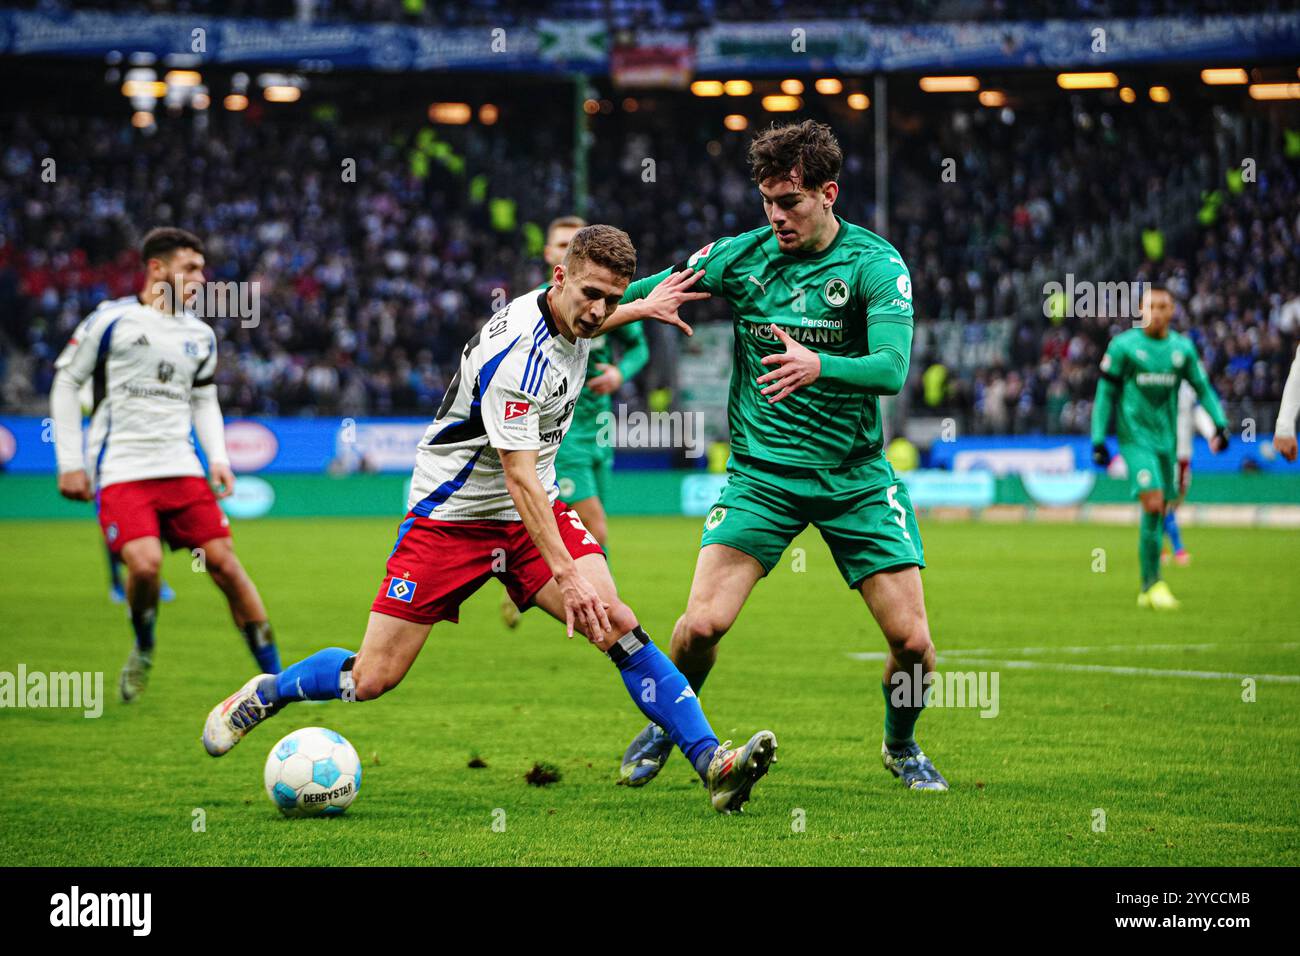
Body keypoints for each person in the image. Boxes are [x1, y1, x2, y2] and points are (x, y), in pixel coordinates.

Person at [201, 225, 776, 814]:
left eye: (612, 297)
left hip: (531, 509)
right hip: (453, 518)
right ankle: (268, 692)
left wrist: (640, 307)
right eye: (590, 296)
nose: (599, 310)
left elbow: (589, 325)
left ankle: (713, 763)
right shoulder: (518, 361)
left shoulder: (573, 310)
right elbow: (518, 476)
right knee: (371, 679)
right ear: (559, 278)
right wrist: (569, 575)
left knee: (616, 624)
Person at [601, 120, 948, 791]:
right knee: (700, 625)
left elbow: (891, 369)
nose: (776, 216)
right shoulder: (743, 256)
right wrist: (628, 307)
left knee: (913, 645)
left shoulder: (875, 265)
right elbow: (650, 286)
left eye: (789, 201)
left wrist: (821, 364)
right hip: (761, 476)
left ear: (828, 193)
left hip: (854, 478)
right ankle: (671, 721)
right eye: (767, 200)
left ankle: (901, 747)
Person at [51, 227, 281, 700]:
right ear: (157, 269)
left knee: (225, 565)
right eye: (190, 268)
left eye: (202, 268)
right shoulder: (110, 320)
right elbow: (65, 382)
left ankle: (274, 681)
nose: (201, 277)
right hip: (121, 469)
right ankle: (145, 642)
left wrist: (217, 457)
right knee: (146, 565)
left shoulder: (200, 335)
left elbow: (203, 400)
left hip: (181, 467)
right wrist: (70, 462)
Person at [500, 216, 650, 628]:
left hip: (599, 430)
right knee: (595, 528)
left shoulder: (601, 302)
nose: (599, 308)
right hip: (560, 435)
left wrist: (620, 374)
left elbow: (638, 348)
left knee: (599, 529)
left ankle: (547, 586)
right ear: (553, 258)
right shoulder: (541, 310)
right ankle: (598, 607)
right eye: (560, 242)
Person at [1091, 285, 1230, 609]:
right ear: (1141, 310)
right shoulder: (1123, 347)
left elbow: (1202, 388)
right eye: (1151, 305)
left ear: (1172, 312)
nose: (1157, 311)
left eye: (1163, 306)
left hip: (1168, 441)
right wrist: (1098, 438)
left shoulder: (1181, 349)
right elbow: (1105, 394)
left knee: (1160, 509)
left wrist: (1220, 424)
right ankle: (1154, 583)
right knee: (1153, 502)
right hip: (1134, 439)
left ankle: (1146, 588)